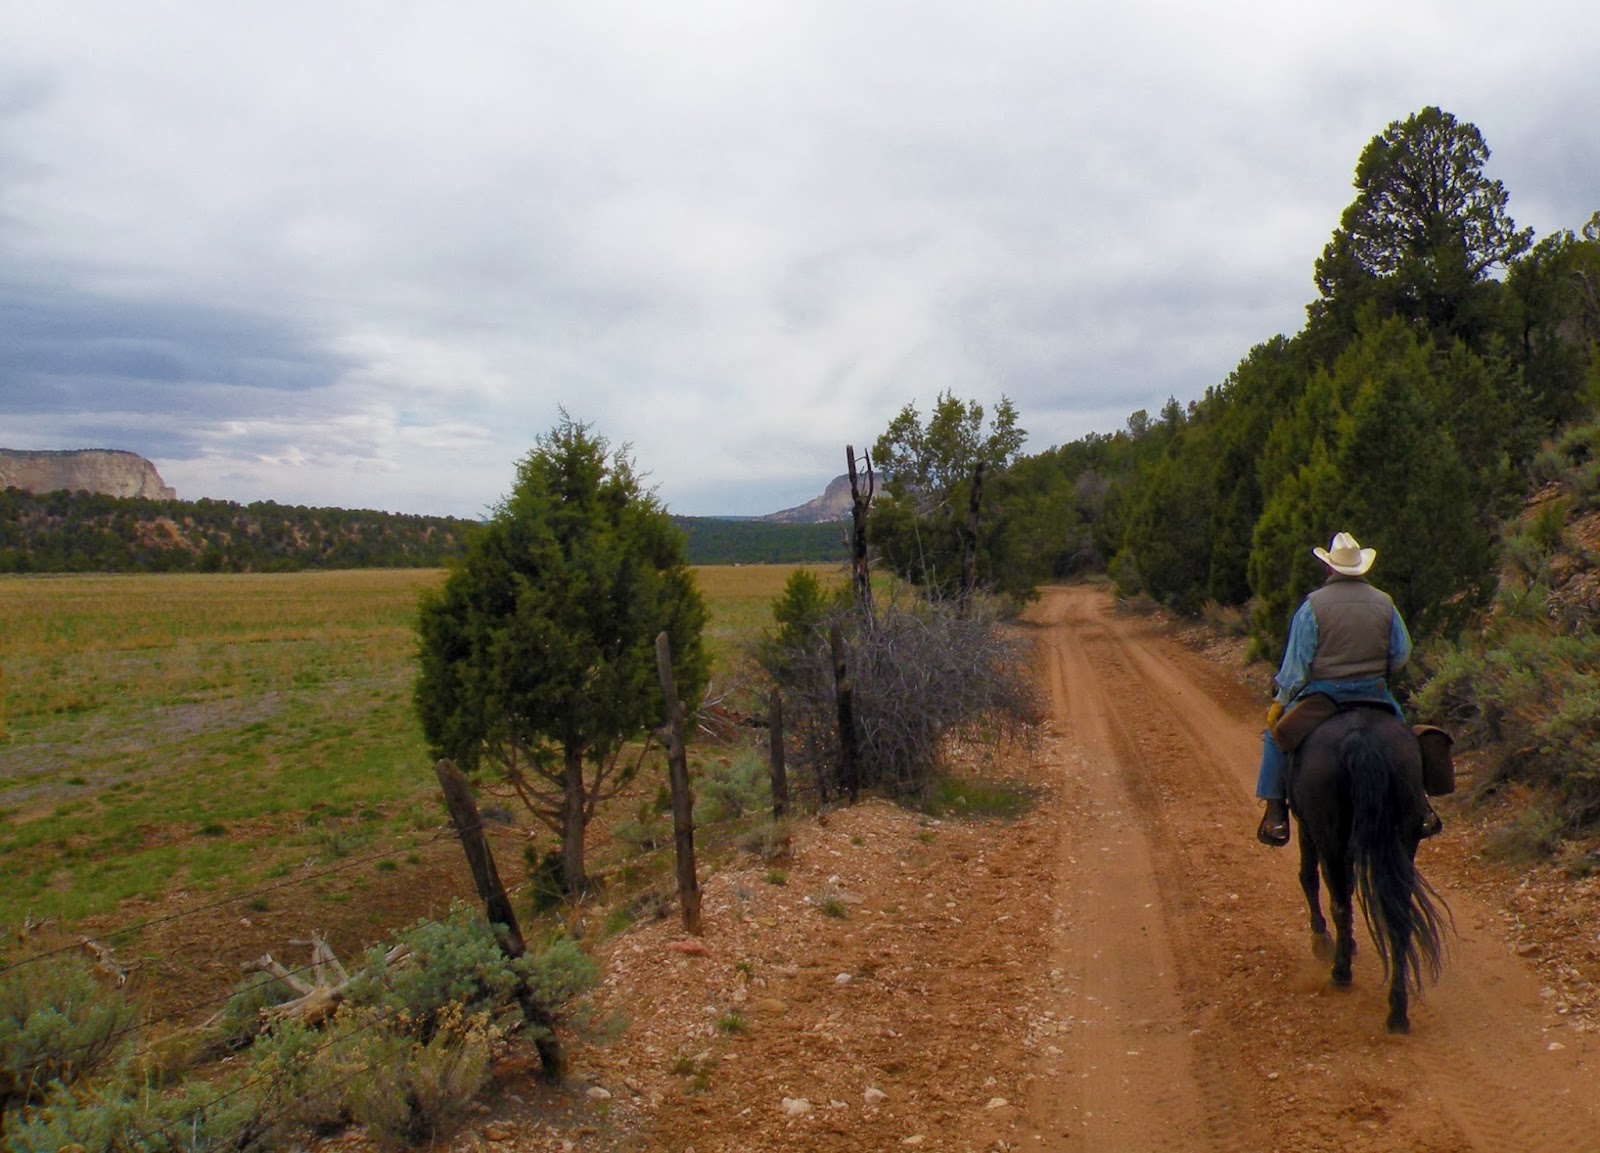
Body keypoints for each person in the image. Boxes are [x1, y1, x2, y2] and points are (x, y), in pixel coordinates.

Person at [1254, 531, 1440, 846]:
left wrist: (1282, 699)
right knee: (1404, 738)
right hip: (1375, 694)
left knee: (1275, 738)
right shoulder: (1385, 603)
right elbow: (1401, 654)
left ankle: (1276, 816)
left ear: (1329, 568)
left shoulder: (1312, 606)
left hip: (1322, 698)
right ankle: (1420, 806)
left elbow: (1297, 666)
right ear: (1361, 569)